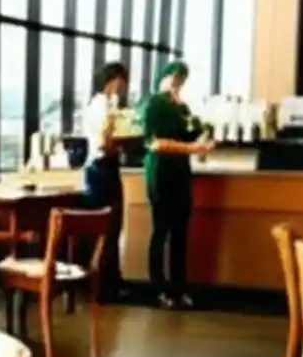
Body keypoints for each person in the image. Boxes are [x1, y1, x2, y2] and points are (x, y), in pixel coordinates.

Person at [139, 61, 213, 309]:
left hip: (181, 172)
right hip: (161, 171)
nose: (178, 83)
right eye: (175, 77)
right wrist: (193, 148)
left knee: (181, 232)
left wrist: (203, 137)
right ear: (164, 77)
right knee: (162, 229)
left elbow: (191, 133)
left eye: (182, 79)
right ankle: (159, 289)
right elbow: (156, 143)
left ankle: (179, 288)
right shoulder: (154, 104)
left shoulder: (181, 107)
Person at [82, 112, 124, 301]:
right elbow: (103, 145)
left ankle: (106, 286)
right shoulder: (101, 109)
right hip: (103, 175)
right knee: (108, 231)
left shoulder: (95, 109)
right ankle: (105, 287)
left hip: (99, 175)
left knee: (107, 232)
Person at [82, 62, 130, 151]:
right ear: (116, 81)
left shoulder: (105, 102)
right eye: (124, 81)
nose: (126, 86)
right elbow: (106, 132)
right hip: (100, 155)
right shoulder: (100, 105)